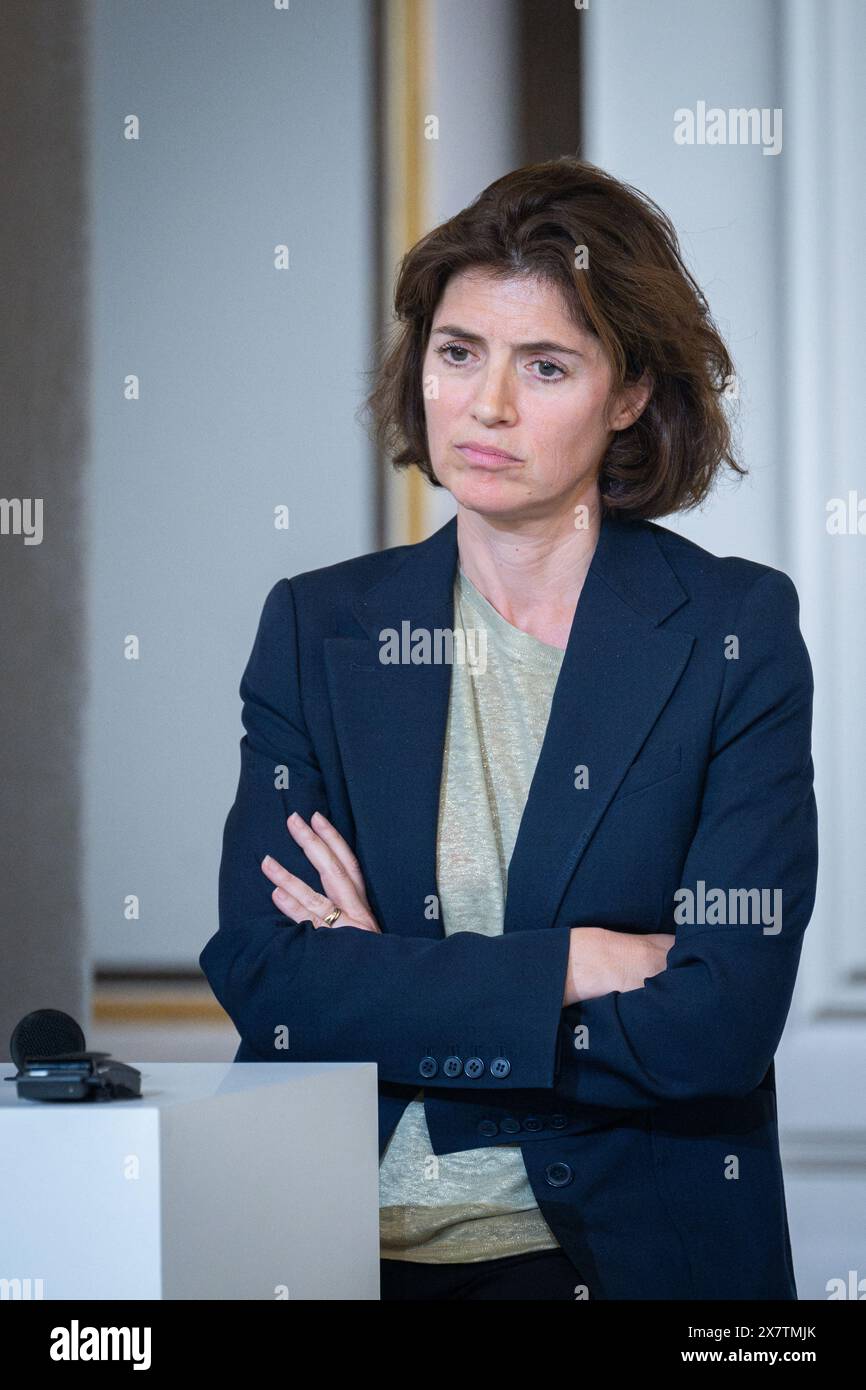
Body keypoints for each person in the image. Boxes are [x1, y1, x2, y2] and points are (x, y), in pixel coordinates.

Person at [199, 157, 818, 1301]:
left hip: (610, 1261)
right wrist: (572, 967)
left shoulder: (732, 628)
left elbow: (715, 1025)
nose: (486, 407)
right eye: (457, 353)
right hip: (322, 1254)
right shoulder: (316, 626)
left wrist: (390, 980)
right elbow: (271, 980)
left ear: (627, 394)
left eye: (544, 366)